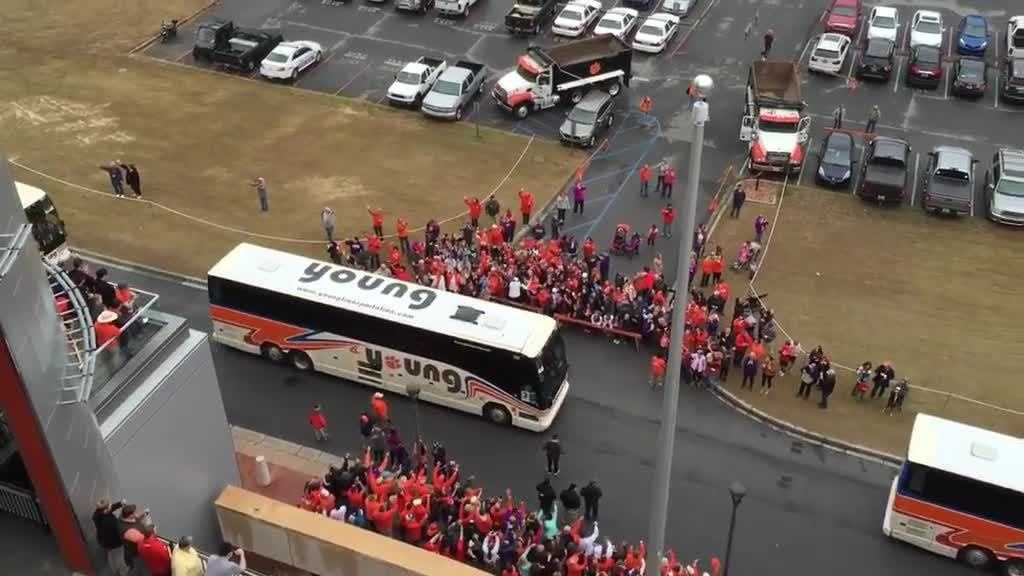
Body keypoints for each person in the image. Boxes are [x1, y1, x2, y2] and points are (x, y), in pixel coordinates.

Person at [94, 499, 128, 576]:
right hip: (115, 544)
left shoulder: (97, 515)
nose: (111, 506)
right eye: (109, 505)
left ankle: (114, 571)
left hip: (104, 541)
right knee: (120, 558)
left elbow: (109, 509)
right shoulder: (111, 521)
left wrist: (120, 503)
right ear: (106, 509)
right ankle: (123, 573)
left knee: (111, 557)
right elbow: (120, 530)